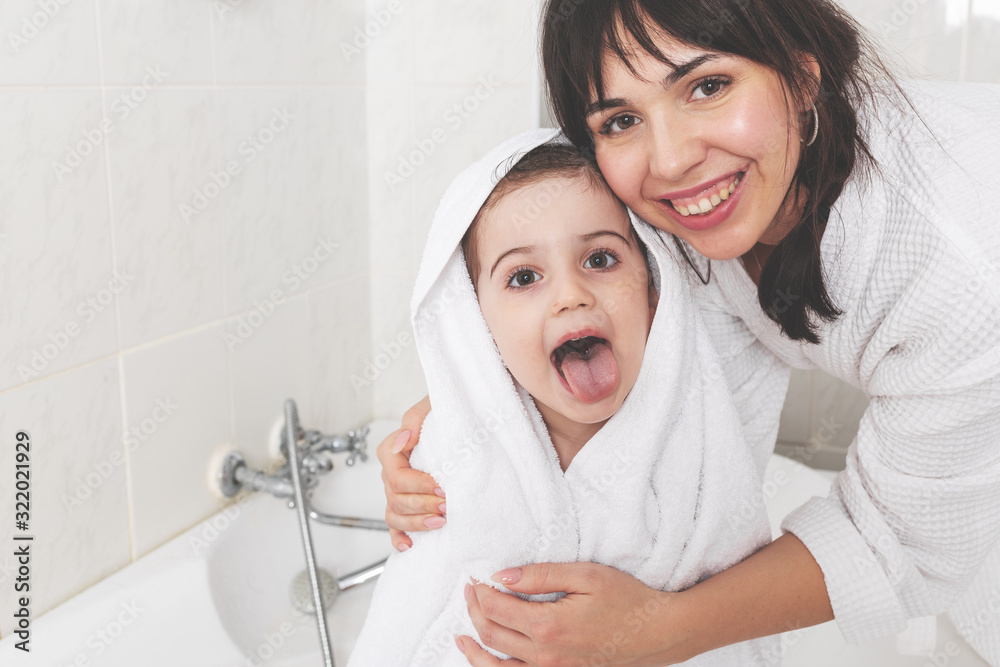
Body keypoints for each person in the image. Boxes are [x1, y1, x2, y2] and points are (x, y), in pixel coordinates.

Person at [379, 0, 1000, 665]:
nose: (672, 160)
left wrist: (657, 628)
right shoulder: (666, 209)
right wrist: (454, 420)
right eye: (621, 119)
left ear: (801, 75)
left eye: (708, 86)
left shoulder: (960, 263)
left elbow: (902, 541)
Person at [352, 131, 778, 665]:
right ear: (477, 322)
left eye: (601, 259)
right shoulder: (454, 449)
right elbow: (411, 613)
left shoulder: (701, 430)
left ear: (654, 287)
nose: (571, 293)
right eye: (524, 276)